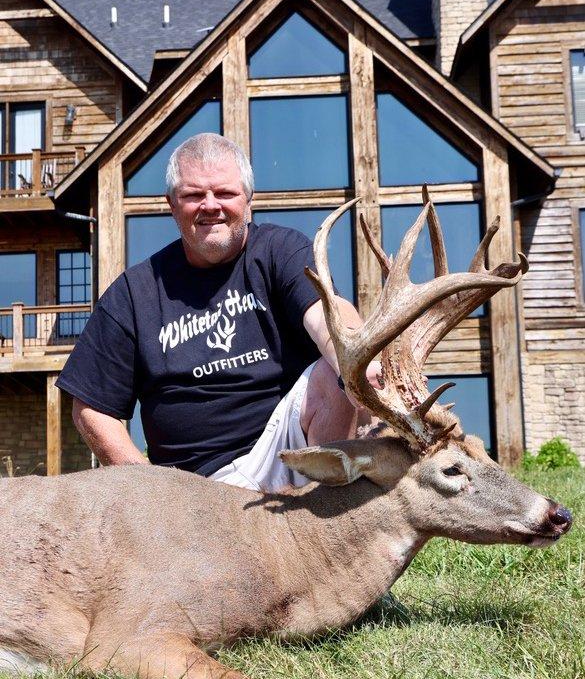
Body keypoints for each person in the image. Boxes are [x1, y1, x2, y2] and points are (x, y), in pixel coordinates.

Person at [57, 133, 376, 491]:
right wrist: (149, 489)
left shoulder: (279, 250)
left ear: (249, 201)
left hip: (287, 452)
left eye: (225, 193)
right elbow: (91, 407)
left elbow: (326, 315)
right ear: (171, 205)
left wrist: (363, 360)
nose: (211, 205)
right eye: (193, 195)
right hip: (195, 490)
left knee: (337, 369)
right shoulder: (134, 292)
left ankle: (325, 513)